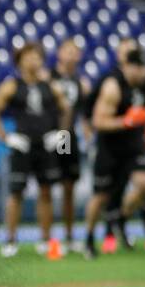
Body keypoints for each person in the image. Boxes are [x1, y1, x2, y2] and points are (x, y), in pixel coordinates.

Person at [0, 42, 68, 257]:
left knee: (46, 191)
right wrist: (6, 137)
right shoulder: (12, 85)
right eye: (29, 56)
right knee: (16, 192)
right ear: (20, 60)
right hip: (22, 144)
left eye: (37, 56)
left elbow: (66, 110)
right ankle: (11, 240)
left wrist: (61, 136)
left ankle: (45, 239)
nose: (34, 60)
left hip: (46, 144)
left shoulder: (51, 85)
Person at [83, 46, 145, 257]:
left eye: (144, 67)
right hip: (109, 147)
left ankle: (121, 218)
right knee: (101, 196)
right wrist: (125, 121)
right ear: (127, 66)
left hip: (134, 145)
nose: (141, 72)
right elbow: (98, 121)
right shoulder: (113, 86)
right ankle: (88, 238)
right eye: (137, 67)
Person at [49, 38, 92, 250]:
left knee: (68, 186)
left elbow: (84, 115)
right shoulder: (48, 77)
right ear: (59, 53)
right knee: (46, 185)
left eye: (75, 52)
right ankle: (47, 238)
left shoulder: (79, 82)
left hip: (67, 137)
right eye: (67, 51)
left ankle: (68, 235)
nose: (71, 55)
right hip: (48, 135)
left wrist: (88, 135)